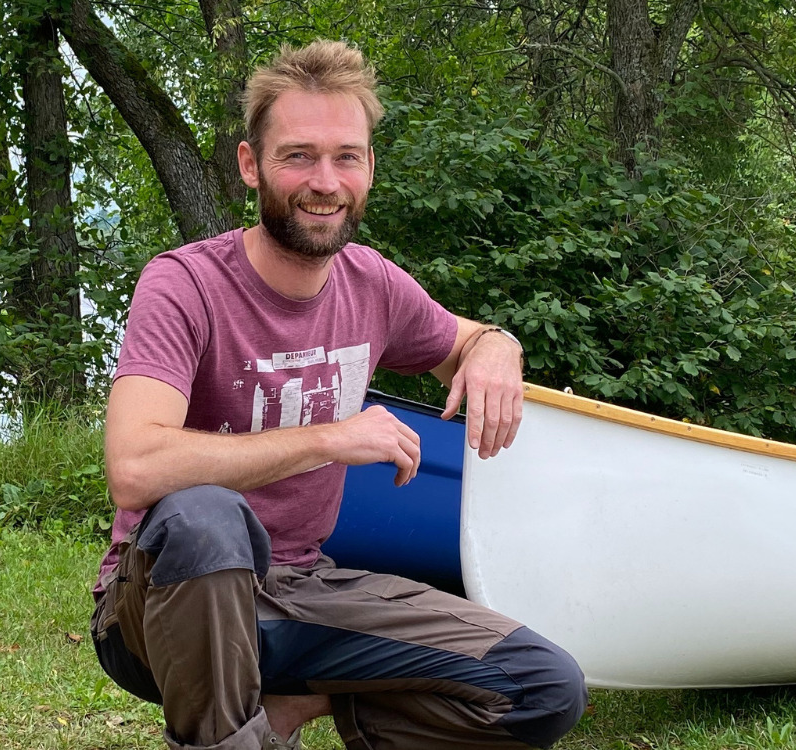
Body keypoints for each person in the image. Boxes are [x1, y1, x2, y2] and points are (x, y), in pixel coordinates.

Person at [90, 39, 588, 750]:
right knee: (205, 516)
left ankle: (284, 712)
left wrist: (496, 346)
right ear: (250, 165)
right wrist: (329, 438)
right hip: (161, 602)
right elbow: (136, 466)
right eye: (299, 156)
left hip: (300, 590)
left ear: (369, 168)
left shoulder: (372, 283)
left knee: (542, 685)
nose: (325, 181)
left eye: (345, 157)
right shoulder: (184, 284)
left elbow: (466, 340)